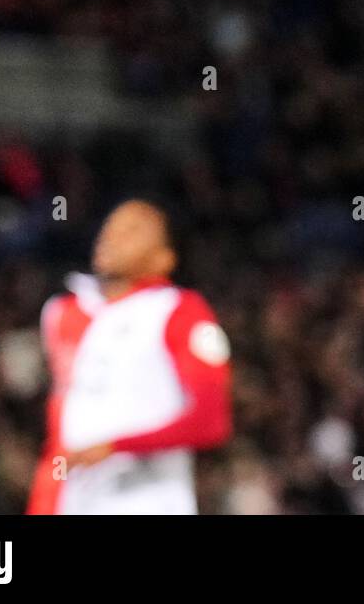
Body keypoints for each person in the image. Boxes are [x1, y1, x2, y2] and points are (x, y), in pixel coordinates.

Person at [26, 199, 233, 514]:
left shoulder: (179, 310)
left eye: (133, 231)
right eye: (109, 227)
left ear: (164, 258)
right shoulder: (73, 316)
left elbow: (211, 421)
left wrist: (115, 447)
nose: (111, 236)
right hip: (80, 503)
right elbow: (62, 433)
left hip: (148, 503)